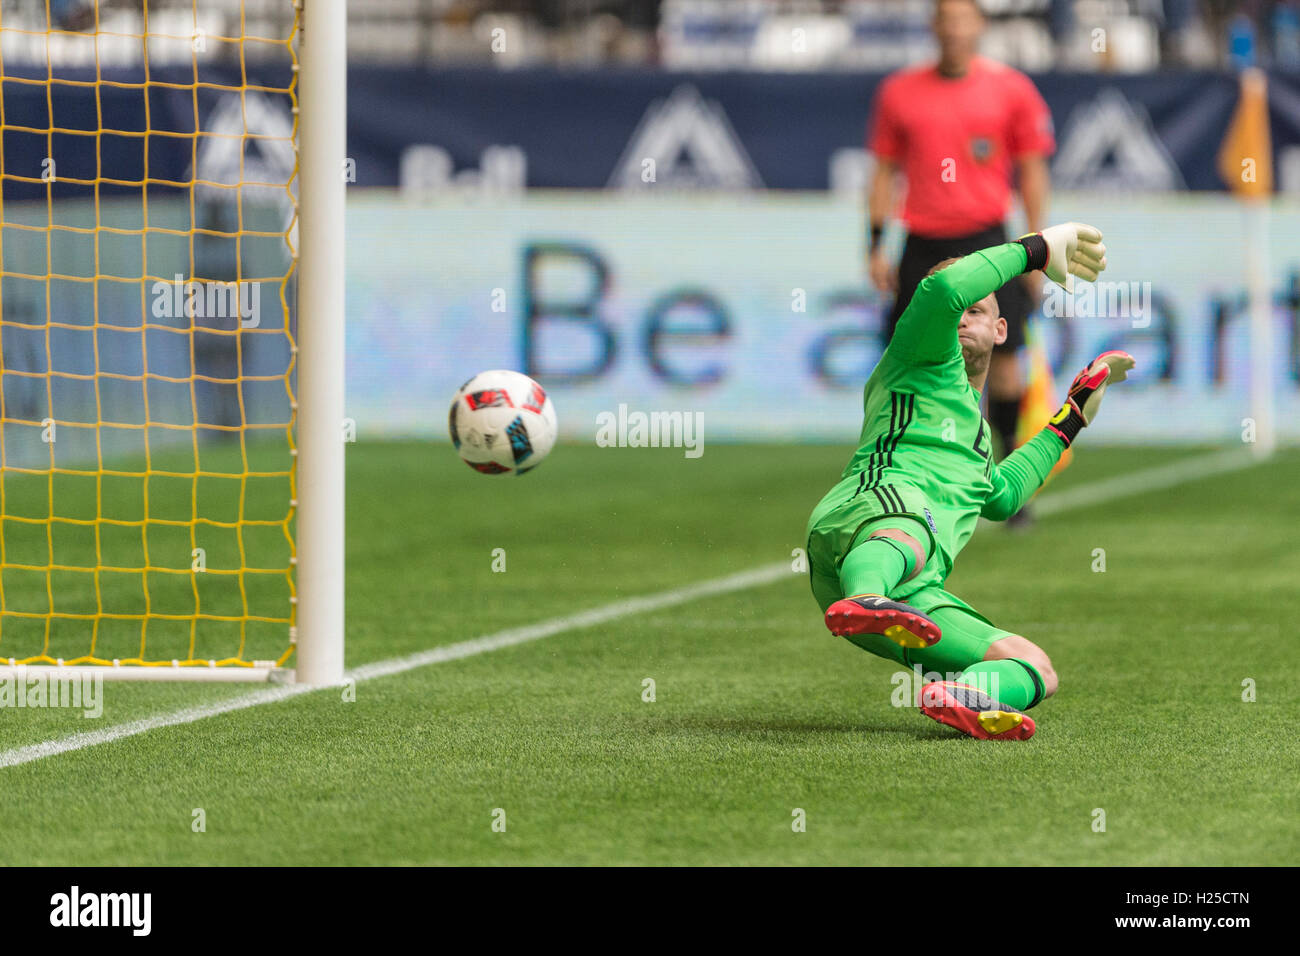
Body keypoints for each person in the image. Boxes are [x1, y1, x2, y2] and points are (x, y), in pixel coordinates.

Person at [806, 223, 1133, 740]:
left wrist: (1070, 419)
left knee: (1036, 666)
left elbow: (1001, 496)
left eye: (976, 311)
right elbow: (942, 289)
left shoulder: (979, 441)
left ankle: (960, 695)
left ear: (1001, 331)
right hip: (864, 522)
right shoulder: (919, 360)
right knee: (914, 523)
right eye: (957, 309)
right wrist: (1035, 250)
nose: (961, 316)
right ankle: (866, 595)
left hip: (911, 596)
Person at [865, 0, 1054, 525]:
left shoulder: (1011, 89)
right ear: (933, 27)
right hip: (922, 240)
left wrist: (1036, 251)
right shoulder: (898, 91)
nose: (953, 28)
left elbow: (1032, 171)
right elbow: (882, 171)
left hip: (988, 239)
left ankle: (1008, 473)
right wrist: (876, 242)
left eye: (962, 17)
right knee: (907, 360)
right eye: (944, 18)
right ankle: (898, 474)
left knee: (1007, 359)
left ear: (979, 24)